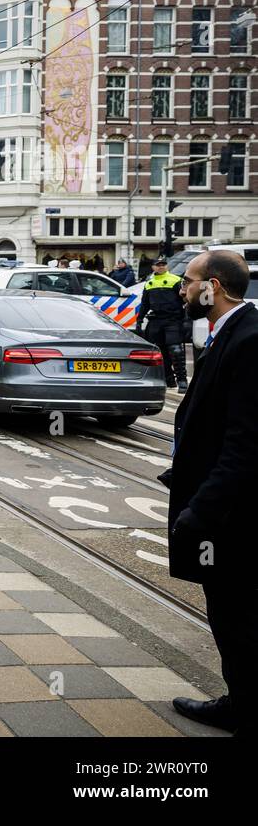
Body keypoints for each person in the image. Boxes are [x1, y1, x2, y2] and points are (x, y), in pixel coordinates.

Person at [165, 249, 258, 736]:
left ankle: (241, 708)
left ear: (213, 287)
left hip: (232, 516)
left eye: (189, 281)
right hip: (223, 503)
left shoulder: (249, 340)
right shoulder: (230, 333)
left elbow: (246, 442)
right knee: (233, 609)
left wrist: (201, 509)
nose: (182, 289)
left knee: (234, 610)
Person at [136, 256, 190, 393]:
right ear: (153, 267)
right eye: (158, 264)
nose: (161, 267)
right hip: (156, 321)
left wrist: (186, 320)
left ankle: (182, 381)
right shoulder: (149, 283)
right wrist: (139, 320)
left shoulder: (176, 280)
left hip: (173, 320)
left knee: (176, 350)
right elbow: (145, 304)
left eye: (163, 264)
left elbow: (186, 299)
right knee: (158, 353)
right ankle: (168, 379)